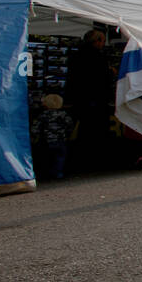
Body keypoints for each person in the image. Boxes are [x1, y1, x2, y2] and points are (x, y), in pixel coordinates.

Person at [66, 29, 116, 172]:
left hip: (79, 99)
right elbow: (101, 78)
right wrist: (110, 73)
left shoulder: (76, 55)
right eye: (102, 41)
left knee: (83, 130)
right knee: (95, 131)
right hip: (96, 99)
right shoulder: (97, 57)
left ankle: (81, 160)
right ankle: (94, 161)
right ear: (97, 41)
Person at [31, 93, 73, 179]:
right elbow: (70, 125)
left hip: (47, 140)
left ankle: (47, 173)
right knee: (60, 157)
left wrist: (34, 136)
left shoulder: (43, 115)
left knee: (47, 157)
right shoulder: (63, 114)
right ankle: (58, 173)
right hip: (61, 139)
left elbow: (36, 128)